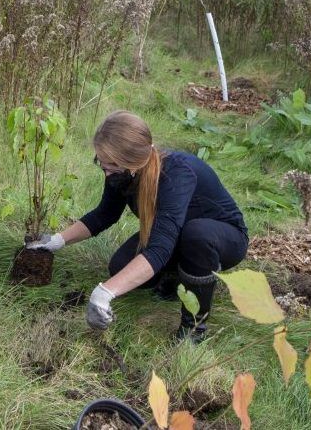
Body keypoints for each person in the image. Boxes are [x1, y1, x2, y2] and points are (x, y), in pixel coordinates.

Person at [28, 111, 249, 342]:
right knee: (120, 267)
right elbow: (105, 214)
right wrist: (58, 240)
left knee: (197, 236)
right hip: (177, 233)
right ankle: (177, 278)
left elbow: (159, 249)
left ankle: (194, 328)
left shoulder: (176, 175)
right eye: (101, 163)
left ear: (132, 163)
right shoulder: (121, 174)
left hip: (223, 238)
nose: (106, 172)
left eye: (111, 166)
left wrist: (104, 293)